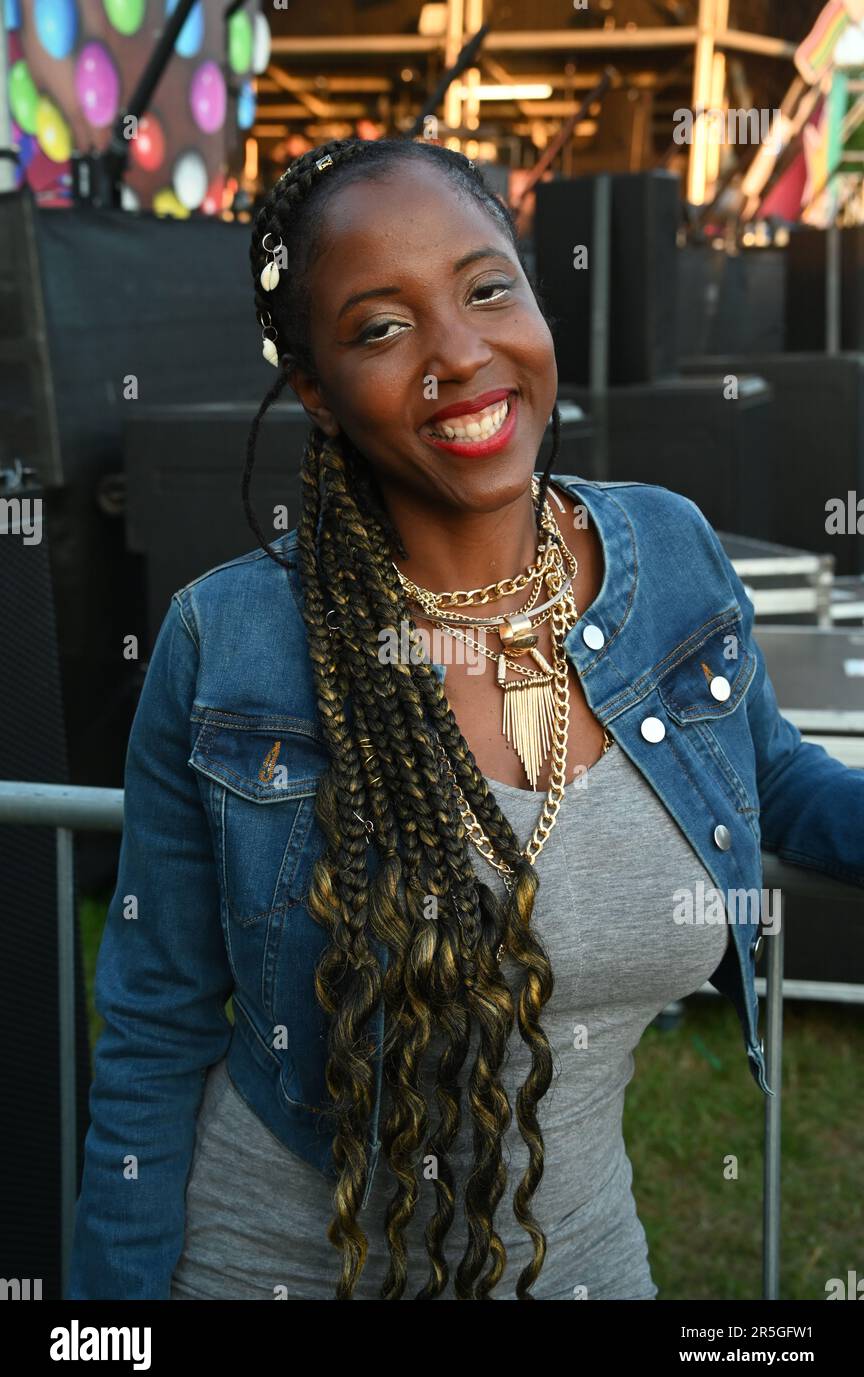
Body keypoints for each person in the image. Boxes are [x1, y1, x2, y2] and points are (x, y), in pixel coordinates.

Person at [68, 138, 864, 1302]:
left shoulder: (673, 555)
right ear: (316, 394)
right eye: (381, 328)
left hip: (582, 1258)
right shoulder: (227, 642)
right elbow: (153, 1030)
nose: (460, 353)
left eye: (488, 289)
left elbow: (768, 773)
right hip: (271, 1264)